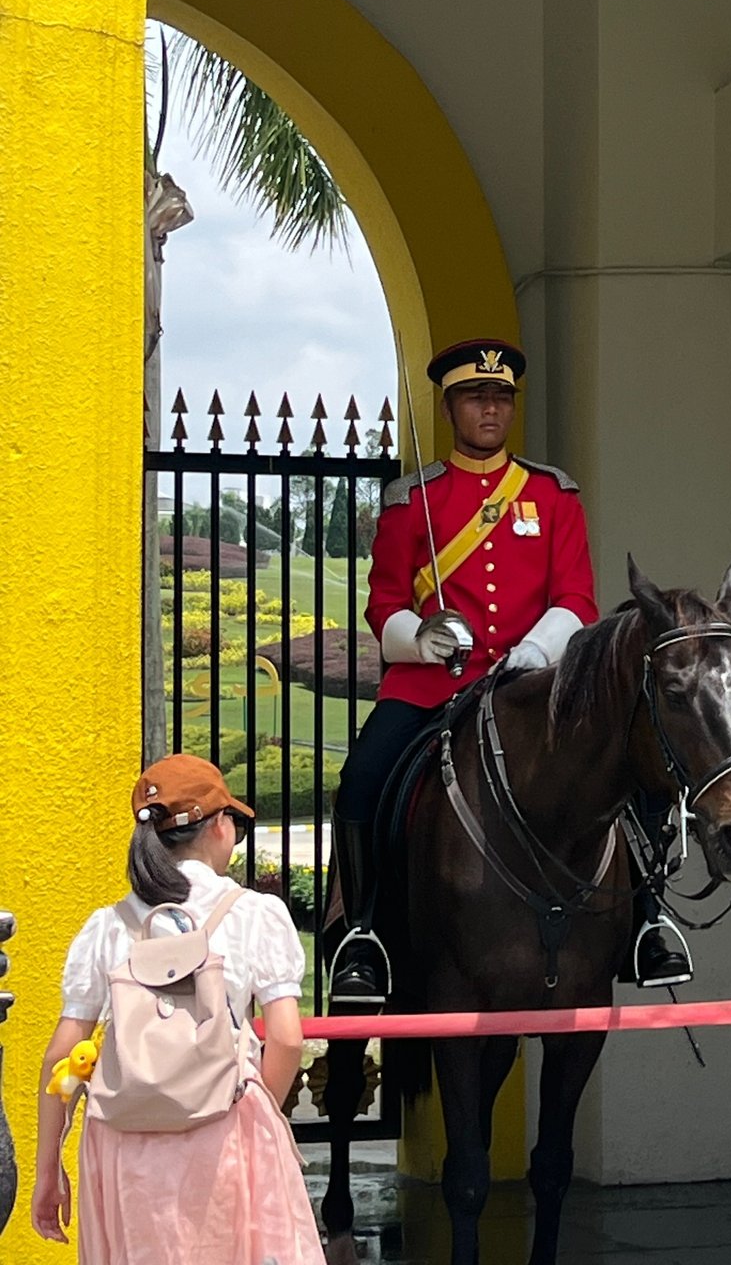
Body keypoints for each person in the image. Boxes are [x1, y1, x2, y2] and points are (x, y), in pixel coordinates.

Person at [331, 336, 692, 1001]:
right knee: (361, 783)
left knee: (629, 769)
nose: (490, 409)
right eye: (475, 397)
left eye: (500, 397)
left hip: (533, 688)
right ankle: (364, 935)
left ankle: (648, 921)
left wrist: (538, 648)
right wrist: (422, 636)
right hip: (431, 689)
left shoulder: (553, 496)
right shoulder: (412, 502)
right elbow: (381, 608)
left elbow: (577, 599)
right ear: (449, 409)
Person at [31, 754, 324, 1264]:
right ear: (219, 828)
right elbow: (288, 1038)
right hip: (224, 1131)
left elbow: (61, 1054)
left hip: (124, 1144)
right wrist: (258, 1111)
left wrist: (48, 1169)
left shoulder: (107, 926)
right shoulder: (255, 915)